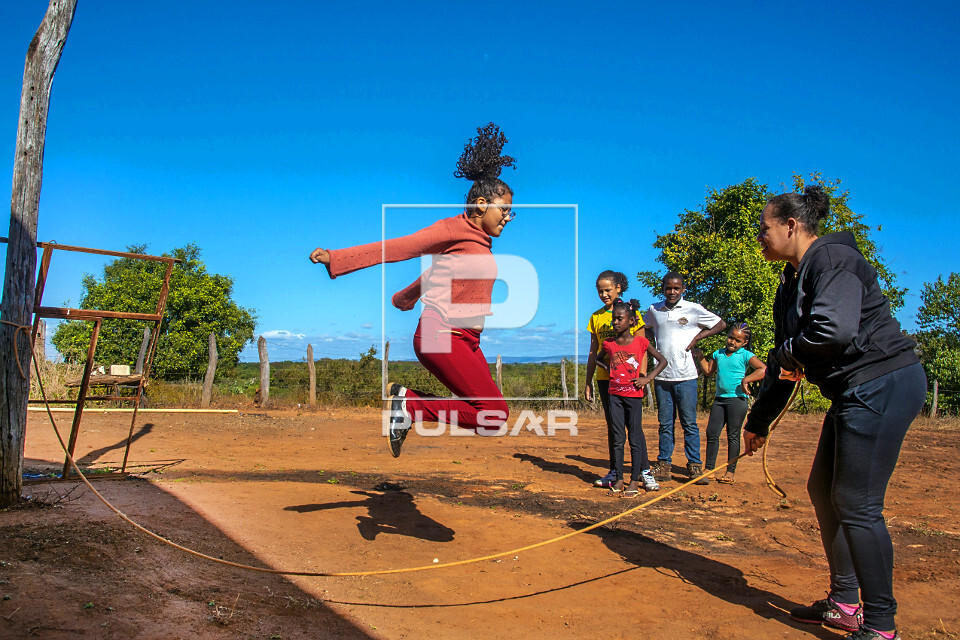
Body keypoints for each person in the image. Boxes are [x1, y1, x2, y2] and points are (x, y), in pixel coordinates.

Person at [743, 185, 925, 640]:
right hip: (852, 390)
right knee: (823, 490)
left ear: (790, 225)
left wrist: (789, 352)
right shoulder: (791, 281)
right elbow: (785, 361)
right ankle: (844, 602)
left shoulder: (832, 260)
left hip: (882, 381)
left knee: (858, 505)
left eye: (764, 228)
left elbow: (832, 330)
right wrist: (758, 421)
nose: (758, 236)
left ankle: (881, 624)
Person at [309, 123, 516, 457]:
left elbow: (439, 272)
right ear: (481, 204)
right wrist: (338, 258)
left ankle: (410, 403)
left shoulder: (478, 244)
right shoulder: (453, 229)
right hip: (443, 334)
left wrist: (406, 297)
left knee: (496, 416)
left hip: (467, 341)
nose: (508, 217)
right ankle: (412, 405)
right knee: (493, 417)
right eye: (504, 210)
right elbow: (402, 246)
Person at [643, 272, 726, 484]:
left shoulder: (693, 309)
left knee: (689, 422)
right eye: (668, 288)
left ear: (683, 289)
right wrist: (651, 347)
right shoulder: (654, 310)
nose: (672, 292)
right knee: (665, 423)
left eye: (676, 288)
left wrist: (698, 336)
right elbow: (644, 329)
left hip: (687, 375)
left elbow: (720, 324)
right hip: (663, 377)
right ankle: (664, 464)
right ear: (663, 288)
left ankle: (695, 466)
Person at [599, 299, 667, 496]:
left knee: (635, 437)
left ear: (631, 321)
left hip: (634, 396)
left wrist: (647, 379)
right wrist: (610, 370)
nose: (615, 323)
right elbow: (598, 359)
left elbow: (662, 360)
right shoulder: (609, 344)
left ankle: (634, 481)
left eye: (620, 319)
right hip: (615, 396)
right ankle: (619, 479)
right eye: (613, 319)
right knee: (618, 437)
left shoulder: (641, 342)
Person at [584, 270, 646, 488]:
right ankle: (615, 471)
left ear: (618, 288)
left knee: (634, 427)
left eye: (607, 289)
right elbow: (594, 351)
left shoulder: (631, 314)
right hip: (606, 380)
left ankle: (643, 472)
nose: (603, 294)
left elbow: (642, 347)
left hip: (631, 379)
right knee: (614, 427)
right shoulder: (596, 317)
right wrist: (588, 381)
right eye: (599, 291)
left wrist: (642, 377)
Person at [692, 322, 766, 484]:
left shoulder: (746, 355)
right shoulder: (718, 354)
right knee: (712, 433)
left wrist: (746, 379)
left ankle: (730, 471)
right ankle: (709, 469)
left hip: (737, 400)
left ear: (744, 343)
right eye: (731, 337)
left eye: (737, 340)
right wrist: (700, 357)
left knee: (733, 435)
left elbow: (763, 369)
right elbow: (708, 371)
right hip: (720, 400)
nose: (732, 342)